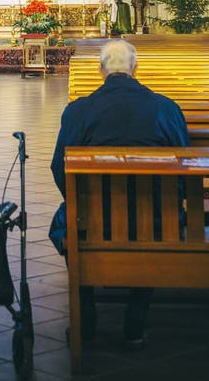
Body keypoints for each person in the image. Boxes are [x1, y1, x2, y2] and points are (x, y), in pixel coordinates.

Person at [50, 39, 189, 349]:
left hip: (92, 223)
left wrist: (82, 201)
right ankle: (135, 321)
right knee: (156, 220)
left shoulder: (78, 111)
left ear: (101, 70)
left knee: (68, 220)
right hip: (156, 224)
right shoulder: (166, 109)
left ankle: (85, 320)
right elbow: (184, 167)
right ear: (135, 68)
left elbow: (59, 169)